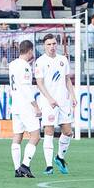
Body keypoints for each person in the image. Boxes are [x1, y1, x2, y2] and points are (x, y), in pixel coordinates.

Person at [35, 33, 75, 175]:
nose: (52, 47)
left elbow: (67, 79)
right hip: (48, 102)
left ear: (56, 44)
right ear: (44, 46)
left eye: (53, 44)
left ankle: (60, 157)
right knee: (49, 131)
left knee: (68, 132)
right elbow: (39, 83)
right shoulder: (40, 61)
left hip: (63, 101)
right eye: (48, 44)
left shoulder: (63, 59)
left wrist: (73, 95)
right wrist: (49, 98)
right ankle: (49, 166)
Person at [7, 39, 41, 178]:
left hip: (15, 105)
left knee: (18, 136)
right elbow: (26, 88)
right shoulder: (25, 66)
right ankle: (25, 165)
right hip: (25, 106)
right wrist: (36, 106)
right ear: (30, 50)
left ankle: (17, 169)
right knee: (36, 136)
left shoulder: (13, 64)